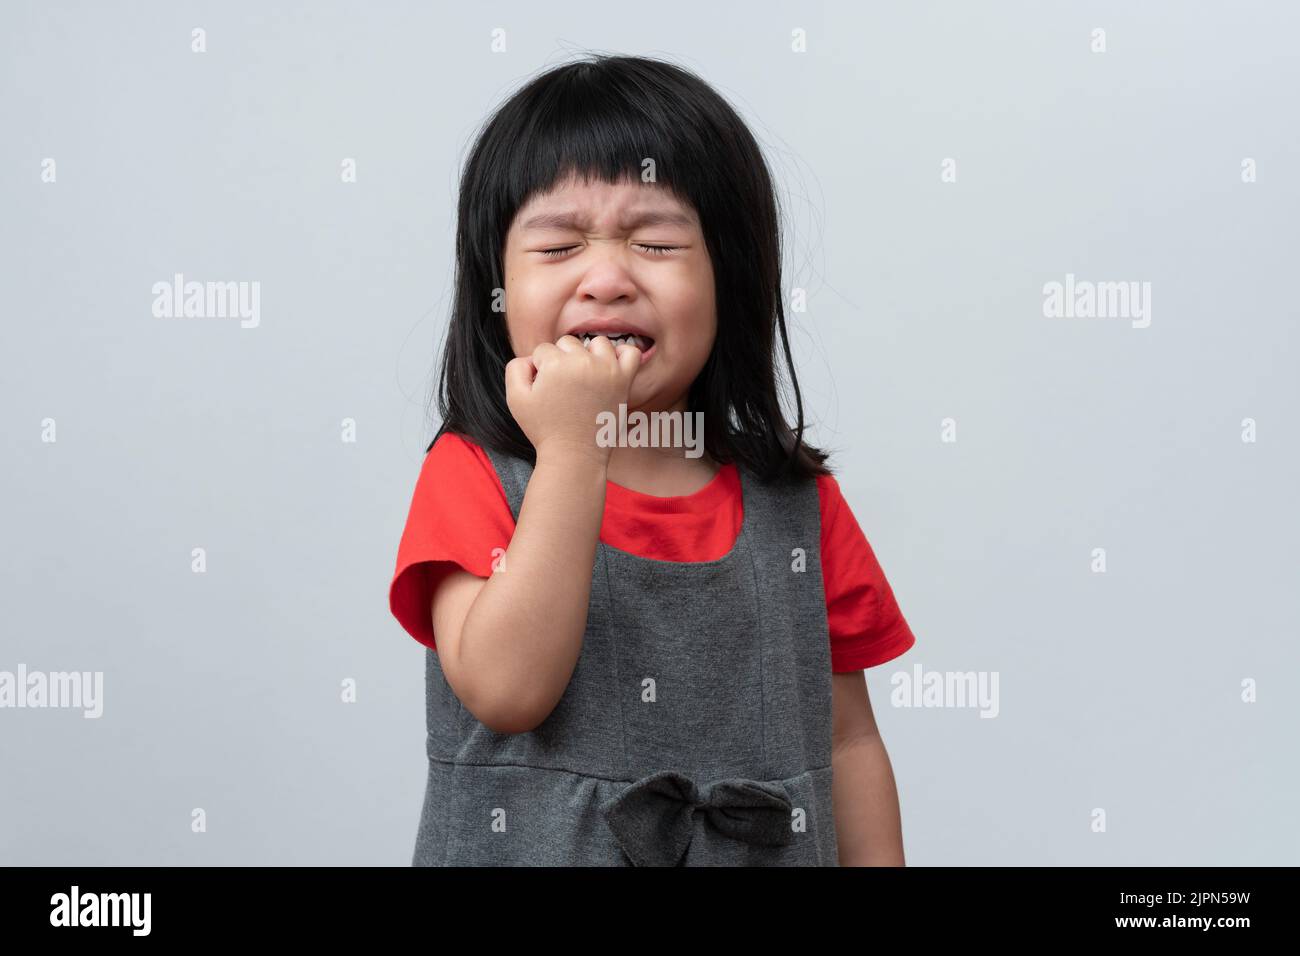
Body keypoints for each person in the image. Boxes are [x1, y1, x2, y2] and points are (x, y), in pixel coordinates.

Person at [389, 54, 916, 866]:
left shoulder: (797, 506)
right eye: (559, 247)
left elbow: (846, 743)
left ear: (728, 278)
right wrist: (574, 448)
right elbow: (505, 691)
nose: (606, 279)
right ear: (497, 288)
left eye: (657, 242)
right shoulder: (475, 472)